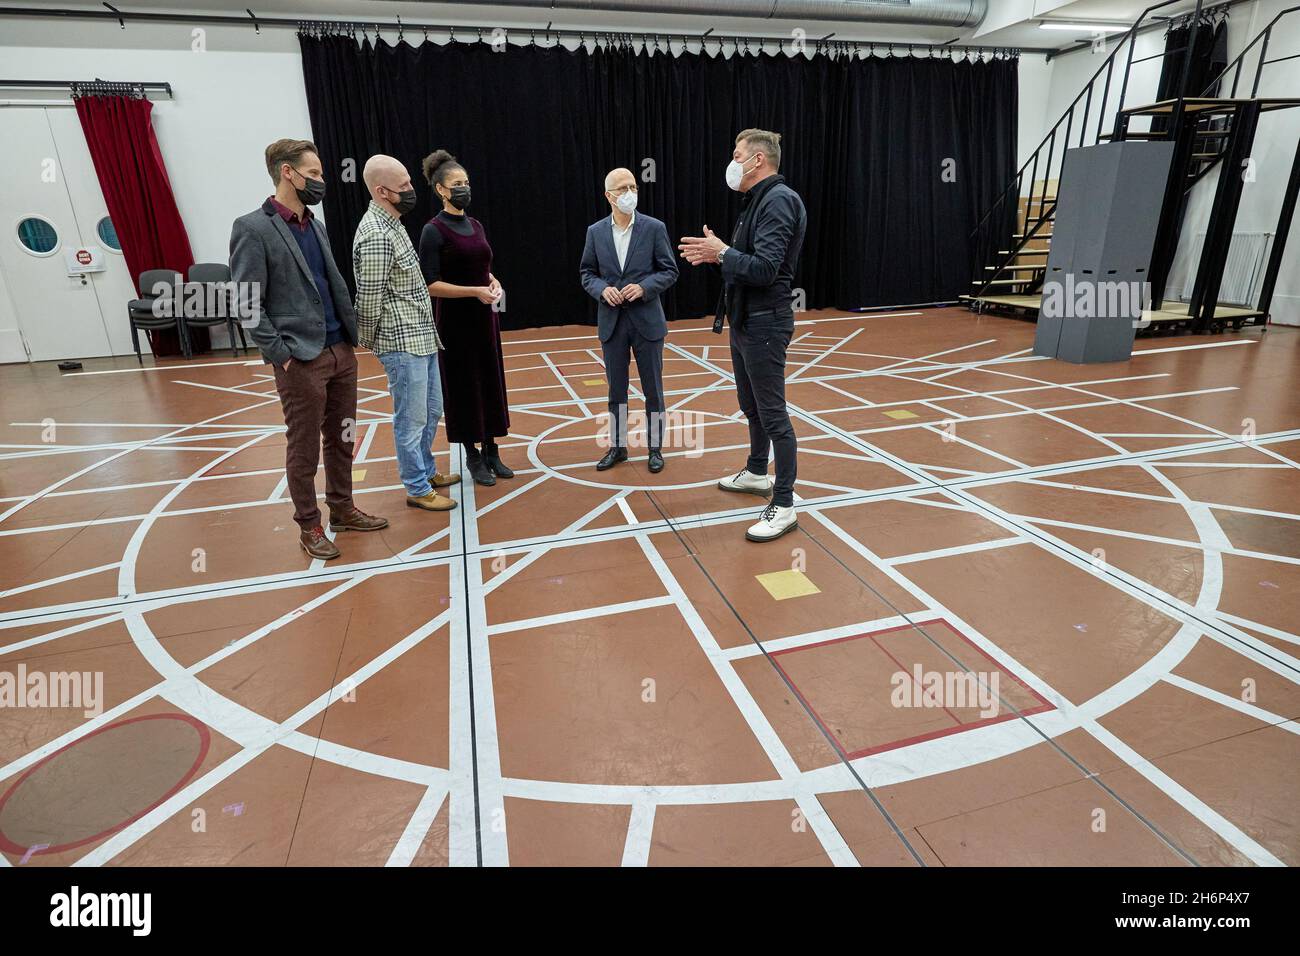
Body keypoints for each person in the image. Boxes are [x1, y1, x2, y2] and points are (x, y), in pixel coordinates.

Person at [230, 138, 388, 560]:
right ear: (288, 172)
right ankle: (309, 525)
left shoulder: (314, 224)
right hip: (299, 357)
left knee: (343, 437)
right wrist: (280, 353)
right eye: (314, 174)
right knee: (303, 446)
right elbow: (246, 302)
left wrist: (350, 338)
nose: (320, 181)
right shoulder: (253, 227)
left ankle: (342, 508)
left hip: (340, 349)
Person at [679, 129, 807, 542]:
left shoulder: (780, 201)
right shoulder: (756, 201)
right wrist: (719, 254)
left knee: (773, 414)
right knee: (750, 404)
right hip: (746, 319)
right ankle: (756, 472)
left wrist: (722, 253)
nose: (731, 162)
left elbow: (767, 268)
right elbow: (743, 263)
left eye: (737, 154)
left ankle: (784, 503)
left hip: (766, 322)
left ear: (757, 161)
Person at [353, 154, 459, 513]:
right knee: (410, 418)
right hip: (401, 343)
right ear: (382, 191)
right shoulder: (377, 235)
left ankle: (426, 471)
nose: (412, 190)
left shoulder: (394, 223)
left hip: (421, 336)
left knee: (431, 410)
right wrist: (371, 341)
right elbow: (368, 298)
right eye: (404, 187)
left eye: (410, 182)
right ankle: (416, 486)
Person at [418, 149, 512, 487]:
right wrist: (474, 291)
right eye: (457, 184)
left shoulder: (475, 224)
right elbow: (430, 284)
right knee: (464, 386)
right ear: (441, 190)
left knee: (489, 381)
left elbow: (482, 267)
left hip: (484, 319)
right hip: (455, 323)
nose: (464, 188)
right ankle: (472, 454)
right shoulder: (433, 230)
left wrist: (491, 279)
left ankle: (492, 448)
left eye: (467, 182)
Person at [579, 167, 679, 472]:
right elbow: (587, 273)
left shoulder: (654, 228)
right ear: (609, 196)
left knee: (654, 390)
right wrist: (602, 290)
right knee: (616, 391)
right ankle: (618, 447)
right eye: (622, 189)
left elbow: (669, 270)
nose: (629, 193)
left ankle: (655, 449)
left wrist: (645, 287)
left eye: (633, 186)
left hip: (647, 322)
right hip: (613, 323)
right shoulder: (595, 232)